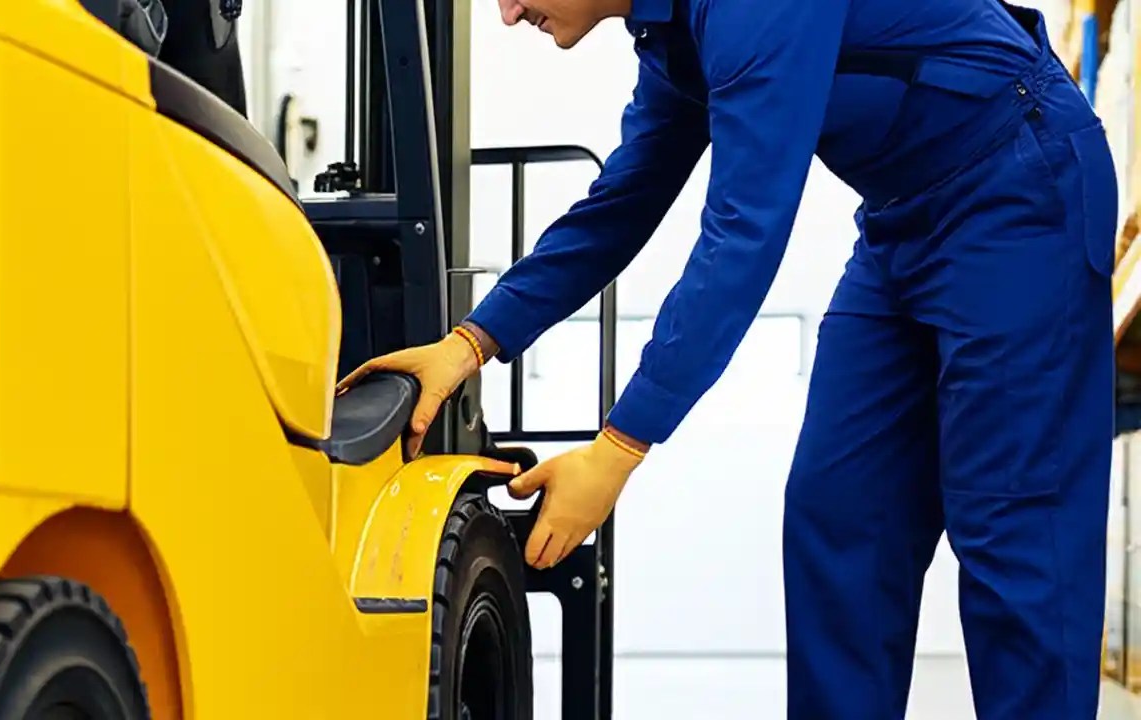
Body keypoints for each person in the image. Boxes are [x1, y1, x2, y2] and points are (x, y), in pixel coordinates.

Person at [337, 0, 1118, 717]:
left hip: (1019, 187)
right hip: (903, 222)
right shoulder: (675, 35)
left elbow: (743, 233)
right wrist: (469, 342)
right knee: (840, 515)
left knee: (1016, 530)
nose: (507, 13)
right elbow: (622, 202)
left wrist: (618, 446)